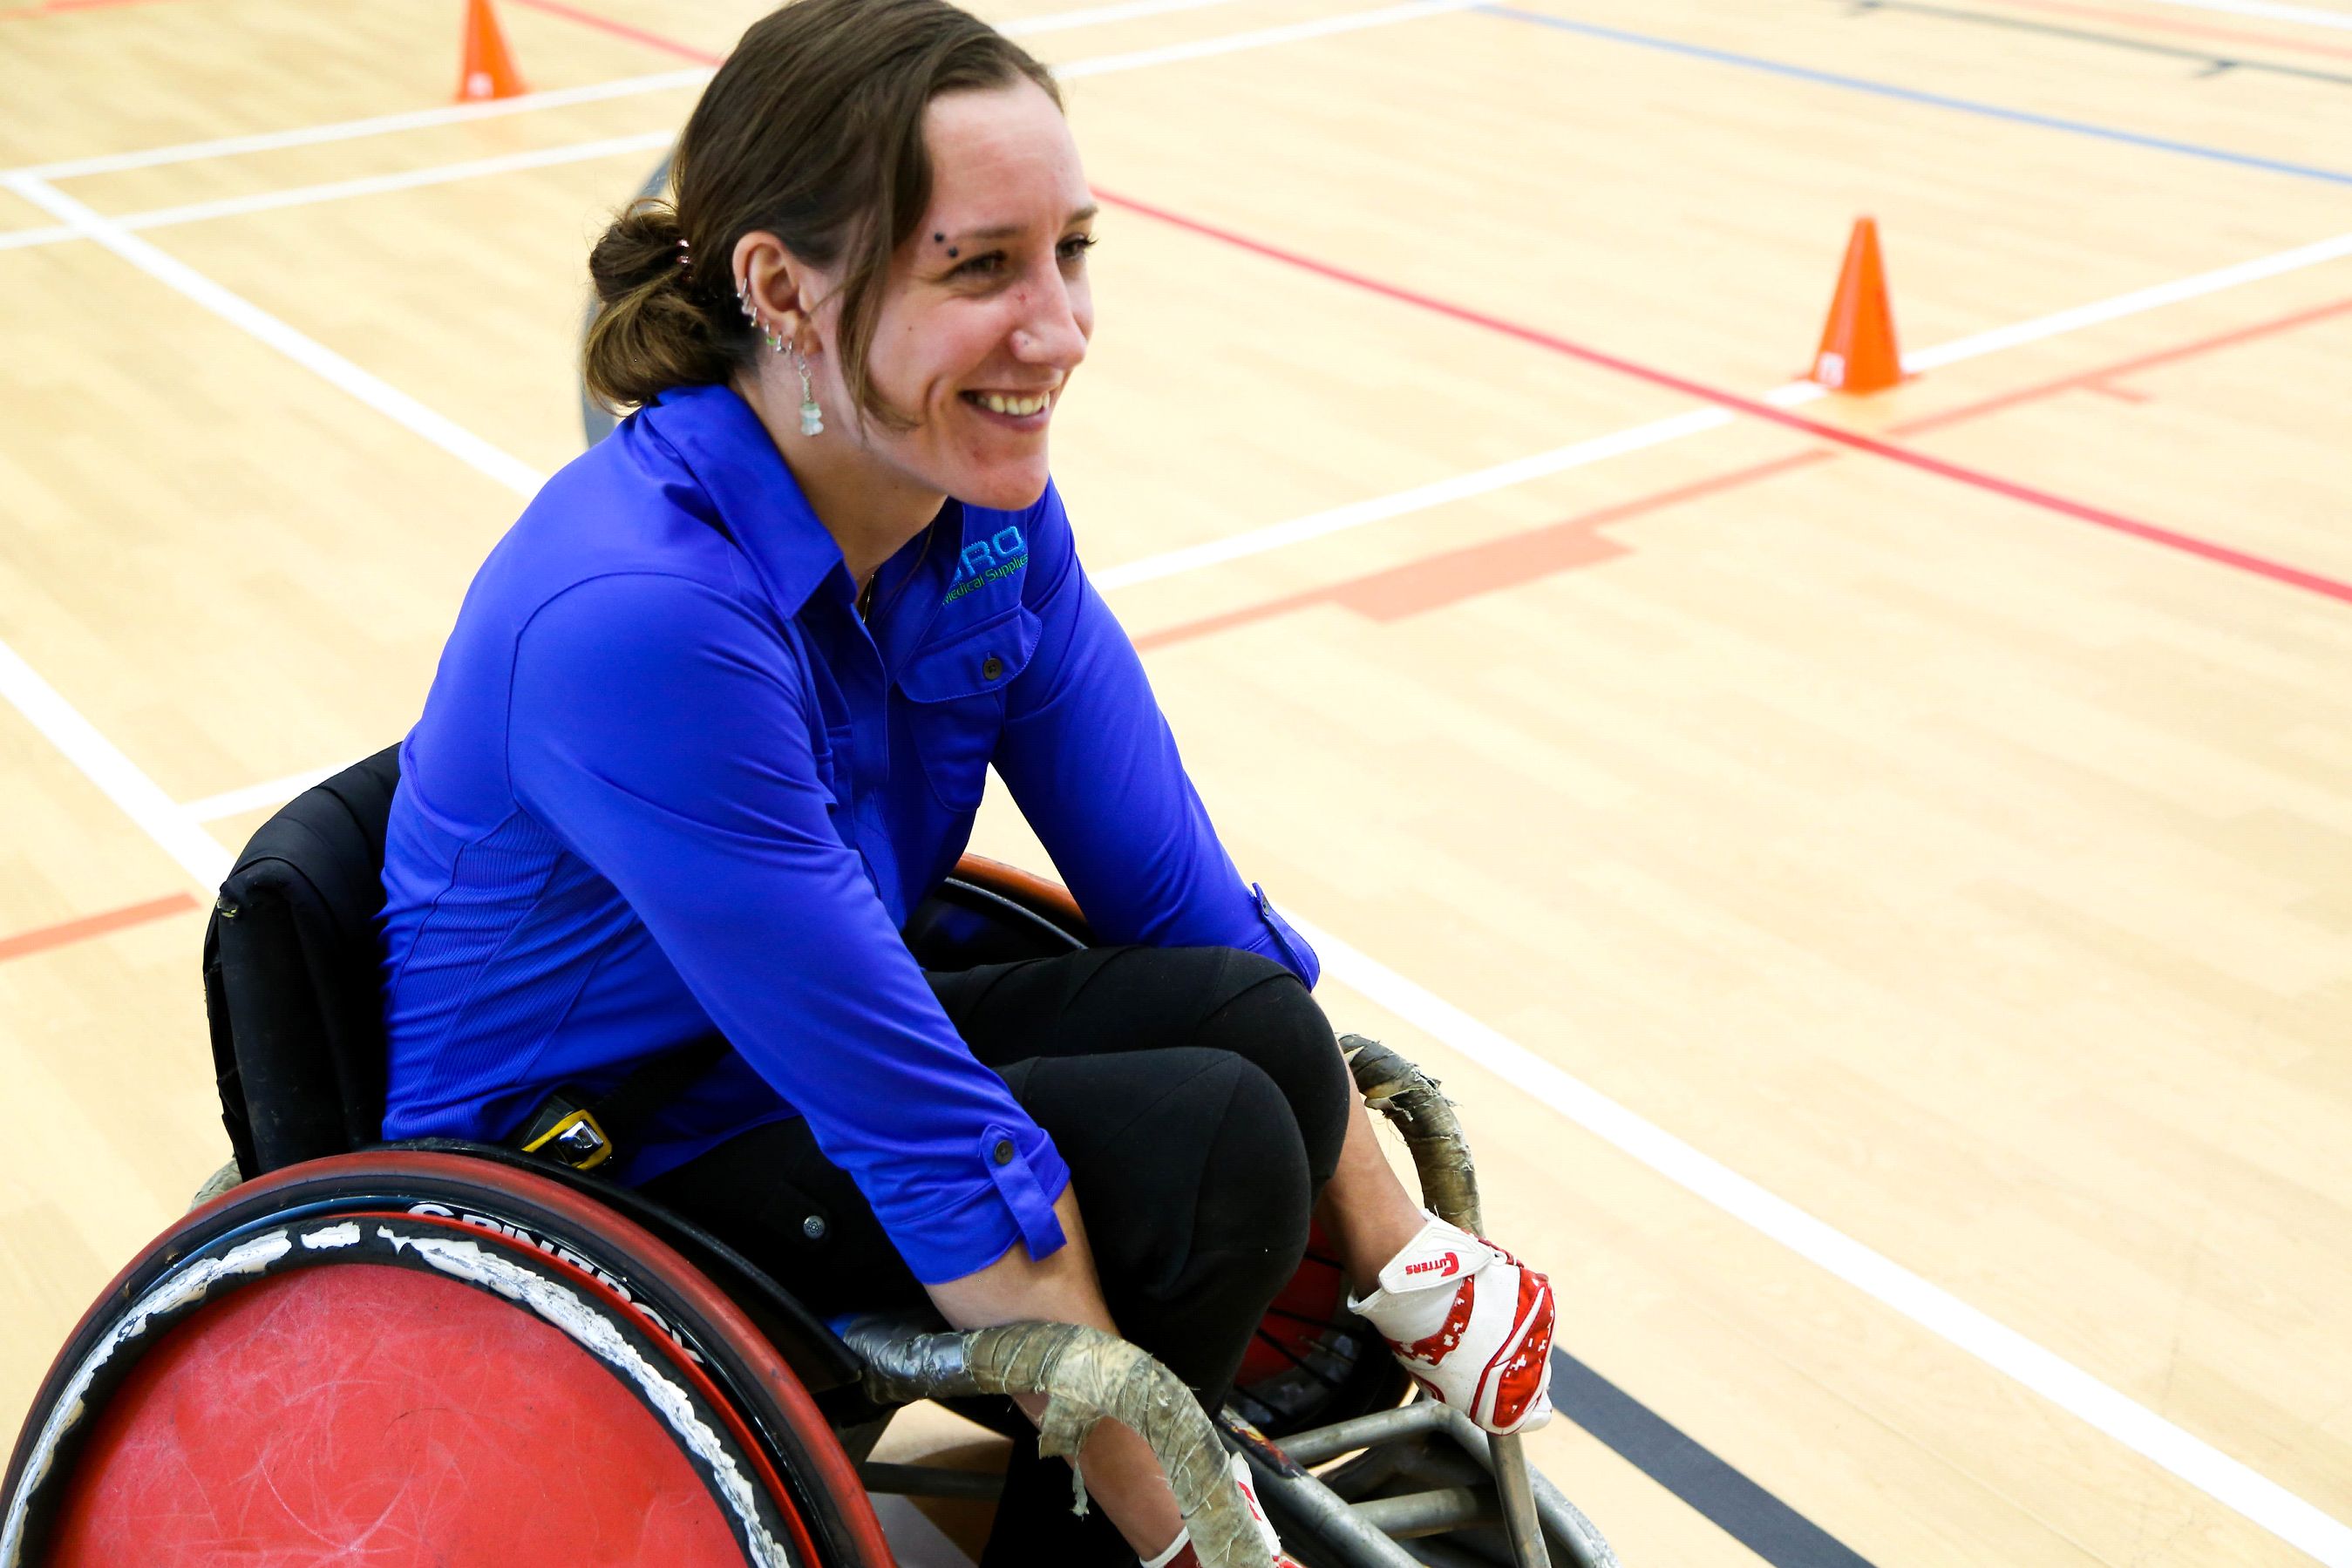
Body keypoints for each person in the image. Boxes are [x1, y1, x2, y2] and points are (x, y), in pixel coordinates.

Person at [375, 0, 1554, 1560]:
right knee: (1200, 1147)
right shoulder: (640, 618)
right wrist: (1190, 1528)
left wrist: (1392, 1239)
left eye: (1070, 250)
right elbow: (923, 1137)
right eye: (979, 266)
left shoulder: (976, 508)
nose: (1057, 327)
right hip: (591, 1183)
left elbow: (1178, 900)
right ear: (781, 290)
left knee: (1250, 1024)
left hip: (788, 1070)